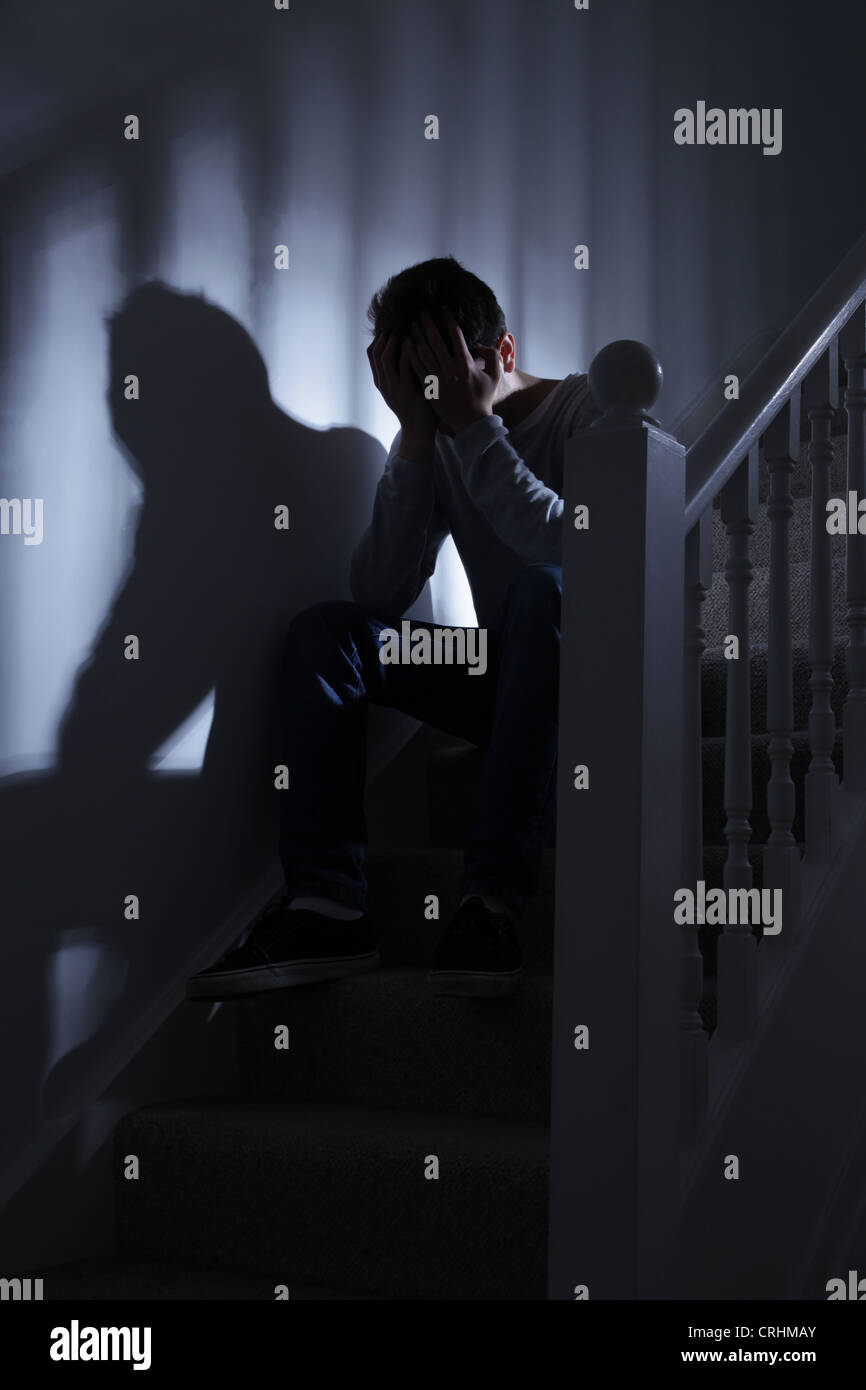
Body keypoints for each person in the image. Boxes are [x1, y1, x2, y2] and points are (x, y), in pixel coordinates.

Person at [187, 256, 599, 1003]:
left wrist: (474, 430)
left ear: (501, 354)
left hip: (599, 673)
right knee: (330, 631)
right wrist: (416, 436)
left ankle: (490, 906)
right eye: (417, 387)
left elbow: (583, 555)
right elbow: (379, 590)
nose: (436, 403)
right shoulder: (437, 438)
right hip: (496, 669)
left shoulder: (588, 411)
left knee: (544, 592)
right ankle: (328, 905)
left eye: (445, 379)